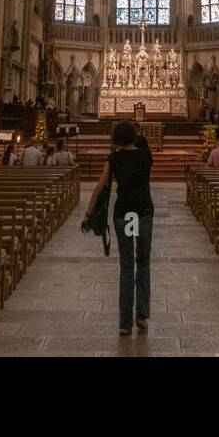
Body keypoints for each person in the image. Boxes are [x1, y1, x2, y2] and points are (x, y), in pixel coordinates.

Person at [83, 120, 153, 336]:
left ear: (115, 139)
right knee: (143, 263)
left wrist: (88, 213)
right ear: (134, 137)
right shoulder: (146, 155)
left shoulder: (113, 159)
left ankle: (124, 322)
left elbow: (100, 186)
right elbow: (142, 149)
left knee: (126, 266)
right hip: (143, 213)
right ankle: (141, 315)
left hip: (123, 214)